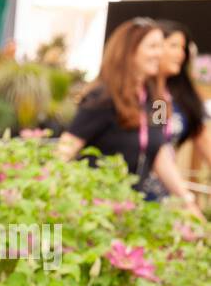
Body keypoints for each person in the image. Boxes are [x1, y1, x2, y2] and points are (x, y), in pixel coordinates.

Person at [58, 18, 200, 215]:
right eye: (153, 46)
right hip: (97, 210)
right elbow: (66, 148)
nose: (161, 53)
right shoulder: (103, 97)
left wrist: (186, 200)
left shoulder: (156, 99)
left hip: (139, 204)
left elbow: (160, 148)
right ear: (130, 51)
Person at [143, 19, 211, 200]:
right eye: (173, 45)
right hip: (133, 191)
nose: (180, 54)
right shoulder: (142, 93)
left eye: (183, 48)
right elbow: (156, 143)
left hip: (161, 193)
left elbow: (203, 139)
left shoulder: (180, 96)